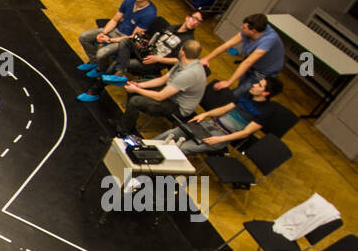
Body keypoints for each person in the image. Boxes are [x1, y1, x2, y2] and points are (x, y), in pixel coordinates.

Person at [78, 9, 205, 101]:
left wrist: (158, 58)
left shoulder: (189, 41)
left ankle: (95, 90)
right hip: (147, 51)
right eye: (194, 18)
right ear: (187, 17)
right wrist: (145, 43)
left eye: (198, 21)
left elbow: (179, 61)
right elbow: (156, 40)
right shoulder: (172, 27)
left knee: (119, 63)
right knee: (126, 41)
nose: (194, 22)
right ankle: (119, 72)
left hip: (153, 63)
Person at [152, 76, 286, 155]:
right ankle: (143, 148)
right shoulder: (247, 95)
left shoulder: (266, 111)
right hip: (210, 125)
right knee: (172, 133)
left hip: (221, 136)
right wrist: (205, 114)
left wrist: (220, 140)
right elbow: (225, 109)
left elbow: (245, 133)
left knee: (180, 148)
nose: (254, 85)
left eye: (260, 85)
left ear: (266, 93)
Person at [118, 39, 205, 134]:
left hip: (178, 107)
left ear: (182, 52)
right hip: (171, 93)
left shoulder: (188, 74)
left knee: (135, 101)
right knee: (134, 85)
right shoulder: (184, 62)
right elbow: (163, 79)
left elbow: (160, 96)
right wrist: (138, 85)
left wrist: (137, 90)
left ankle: (123, 131)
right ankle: (128, 121)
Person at [77, 0, 160, 69]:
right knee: (84, 37)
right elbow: (114, 20)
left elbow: (133, 37)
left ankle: (101, 69)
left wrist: (109, 40)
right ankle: (94, 62)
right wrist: (103, 33)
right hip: (117, 30)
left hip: (126, 40)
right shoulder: (129, 1)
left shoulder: (150, 13)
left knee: (101, 53)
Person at [201, 13, 285, 95]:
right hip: (252, 66)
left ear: (253, 31)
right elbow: (228, 44)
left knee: (238, 94)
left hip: (263, 72)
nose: (241, 28)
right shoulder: (248, 32)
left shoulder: (269, 40)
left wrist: (229, 82)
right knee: (241, 87)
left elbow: (248, 62)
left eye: (244, 28)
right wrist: (207, 58)